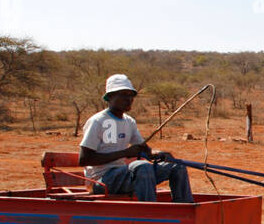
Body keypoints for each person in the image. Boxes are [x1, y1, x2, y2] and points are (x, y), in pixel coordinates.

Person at [79, 74, 194, 203]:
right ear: (110, 97)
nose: (129, 99)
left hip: (124, 176)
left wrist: (158, 154)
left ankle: (184, 210)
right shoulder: (97, 121)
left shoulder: (129, 122)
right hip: (101, 181)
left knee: (176, 166)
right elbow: (84, 159)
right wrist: (125, 153)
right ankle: (149, 212)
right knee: (142, 167)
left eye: (131, 95)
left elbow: (145, 150)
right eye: (123, 94)